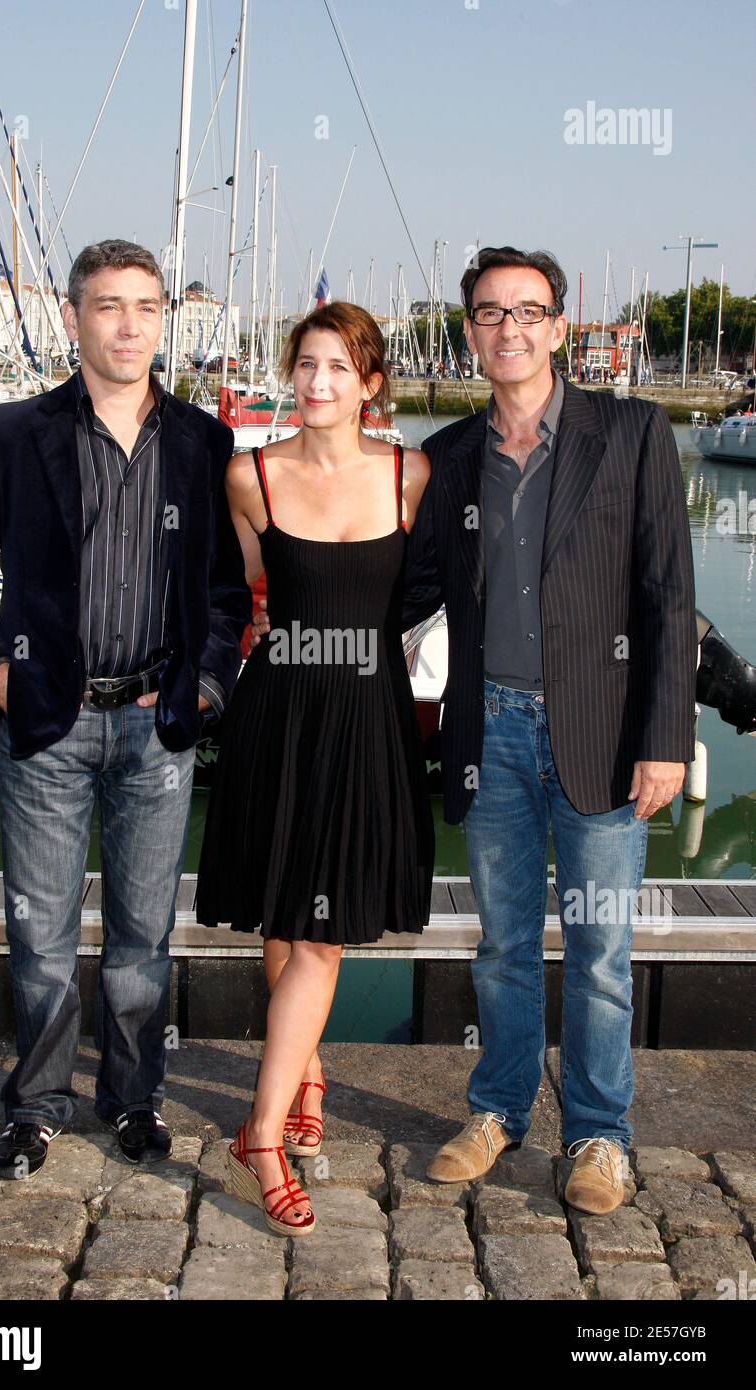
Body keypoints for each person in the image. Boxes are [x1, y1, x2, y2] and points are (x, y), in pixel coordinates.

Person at [253, 246, 696, 1216]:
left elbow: (667, 593)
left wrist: (664, 734)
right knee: (499, 945)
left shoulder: (630, 434)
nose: (508, 329)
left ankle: (596, 1135)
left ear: (557, 325)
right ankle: (495, 1110)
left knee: (598, 952)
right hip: (483, 728)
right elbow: (396, 593)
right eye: (489, 313)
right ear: (468, 332)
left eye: (526, 310)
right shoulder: (445, 457)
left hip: (604, 734)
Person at [0, 239, 250, 1178]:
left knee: (144, 938)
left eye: (145, 306)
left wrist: (203, 688)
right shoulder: (9, 433)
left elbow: (226, 597)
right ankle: (34, 1106)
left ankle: (133, 1097)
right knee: (40, 934)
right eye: (108, 305)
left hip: (157, 729)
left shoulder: (201, 443)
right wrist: (0, 679)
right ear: (74, 317)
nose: (128, 324)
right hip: (46, 730)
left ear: (162, 319)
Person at [196, 301, 434, 1235]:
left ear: (371, 382)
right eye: (306, 365)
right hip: (280, 711)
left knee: (321, 933)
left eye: (340, 367)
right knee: (285, 907)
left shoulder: (413, 477)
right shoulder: (249, 476)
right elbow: (248, 592)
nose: (319, 383)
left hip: (369, 714)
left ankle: (267, 1115)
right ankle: (279, 1110)